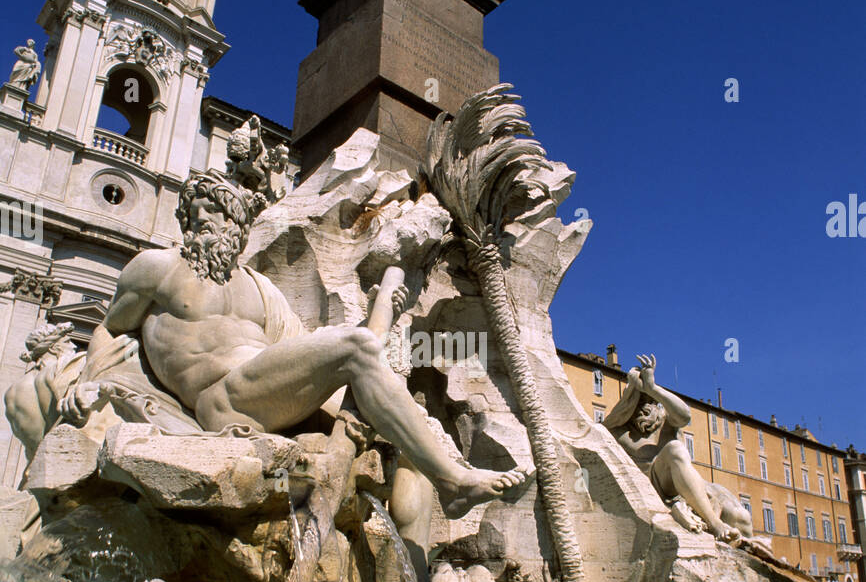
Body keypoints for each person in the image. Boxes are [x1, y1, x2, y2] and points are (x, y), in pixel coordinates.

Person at [60, 170, 531, 522]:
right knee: (356, 349)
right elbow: (110, 327)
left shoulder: (260, 288)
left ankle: (420, 578)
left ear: (238, 224)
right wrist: (86, 382)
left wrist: (385, 303)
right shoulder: (156, 268)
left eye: (219, 210)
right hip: (221, 400)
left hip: (268, 393)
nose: (206, 217)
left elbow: (329, 357)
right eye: (196, 209)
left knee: (390, 405)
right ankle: (452, 481)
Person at [604, 354, 748, 544]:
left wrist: (653, 388)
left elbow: (684, 416)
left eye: (652, 400)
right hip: (654, 486)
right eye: (641, 398)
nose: (647, 405)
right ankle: (714, 524)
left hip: (684, 487)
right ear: (629, 400)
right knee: (675, 449)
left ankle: (750, 546)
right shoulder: (617, 430)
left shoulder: (665, 424)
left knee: (739, 514)